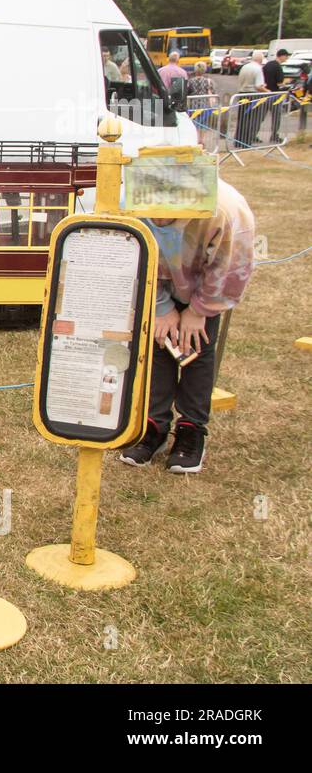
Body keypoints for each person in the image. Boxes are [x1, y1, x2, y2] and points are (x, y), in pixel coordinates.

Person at [118, 180, 256, 474]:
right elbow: (129, 256)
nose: (158, 220)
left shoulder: (224, 210)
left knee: (198, 348)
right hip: (158, 286)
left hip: (203, 286)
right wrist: (161, 307)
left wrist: (198, 311)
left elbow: (230, 266)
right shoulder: (126, 203)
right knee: (157, 345)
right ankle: (154, 424)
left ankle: (191, 429)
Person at [233, 51, 267, 147]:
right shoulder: (258, 69)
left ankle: (238, 140)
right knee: (251, 119)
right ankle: (246, 141)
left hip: (242, 94)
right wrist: (267, 91)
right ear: (260, 59)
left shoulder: (245, 67)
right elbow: (258, 86)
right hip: (253, 95)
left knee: (242, 118)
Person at [262, 48, 290, 142]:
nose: (286, 58)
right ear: (281, 56)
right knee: (276, 116)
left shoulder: (268, 65)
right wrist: (286, 84)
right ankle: (274, 135)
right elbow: (279, 83)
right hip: (274, 94)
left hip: (264, 93)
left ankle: (252, 135)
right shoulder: (278, 67)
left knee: (260, 117)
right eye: (286, 56)